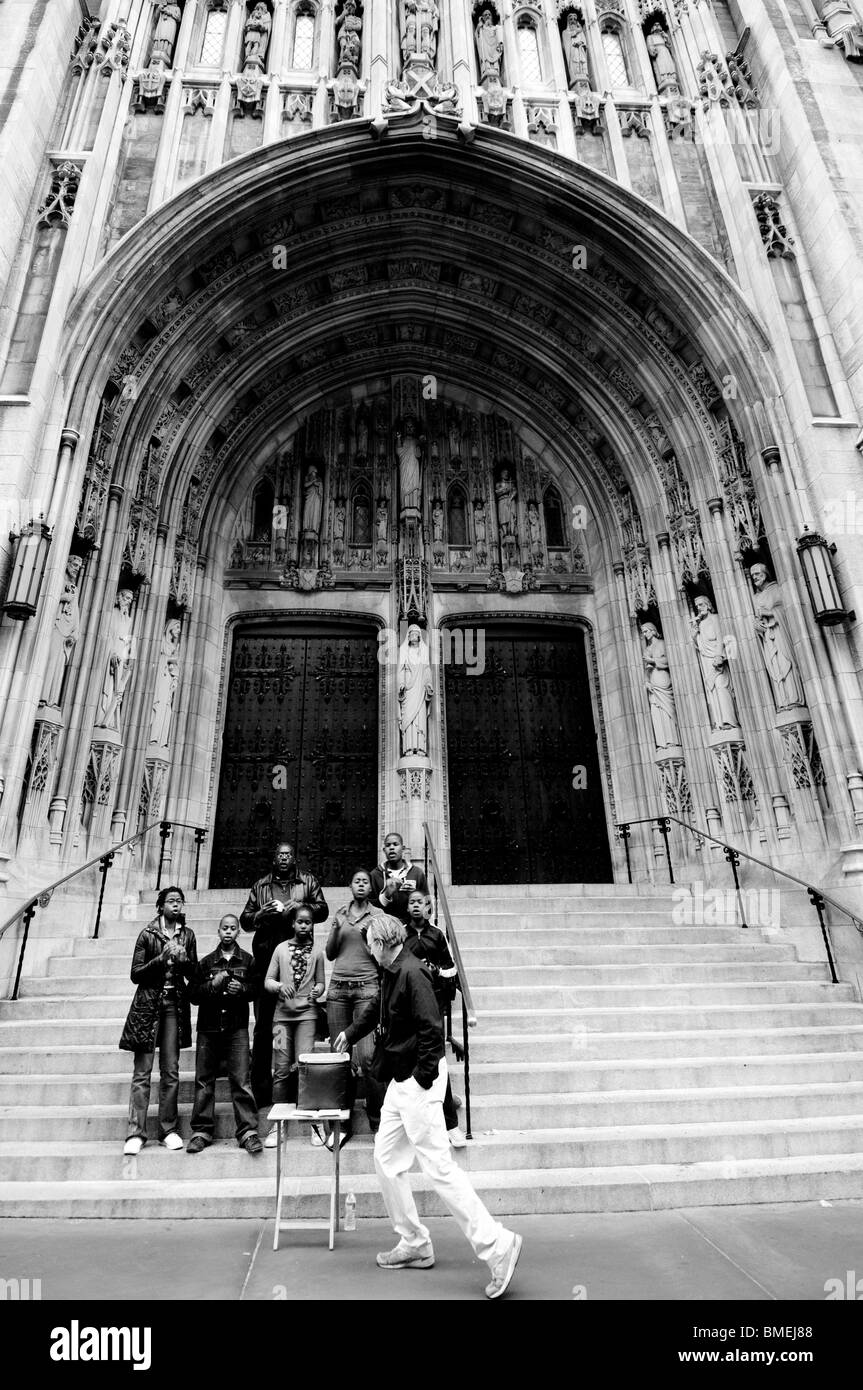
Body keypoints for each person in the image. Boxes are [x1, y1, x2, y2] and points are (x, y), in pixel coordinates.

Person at [334, 915, 522, 1300]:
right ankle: (414, 1242)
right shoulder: (391, 970)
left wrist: (420, 1080)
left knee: (439, 1168)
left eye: (370, 942)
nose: (368, 948)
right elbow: (375, 1009)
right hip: (400, 1082)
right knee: (386, 1159)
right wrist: (350, 1033)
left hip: (416, 1082)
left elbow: (432, 1032)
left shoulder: (413, 974)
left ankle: (497, 1245)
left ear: (384, 943)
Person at [240, 842, 328, 1107]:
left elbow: (322, 910)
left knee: (300, 1031)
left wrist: (301, 906)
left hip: (299, 958)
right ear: (274, 857)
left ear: (294, 858)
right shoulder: (261, 885)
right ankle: (264, 1092)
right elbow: (245, 920)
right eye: (280, 854)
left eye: (289, 854)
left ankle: (300, 1093)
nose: (284, 858)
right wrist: (260, 914)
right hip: (268, 958)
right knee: (265, 1028)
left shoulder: (308, 881)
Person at [120, 886, 197, 1154]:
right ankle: (136, 1132)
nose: (176, 905)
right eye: (171, 901)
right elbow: (136, 974)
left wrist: (185, 961)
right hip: (148, 1006)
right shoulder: (147, 934)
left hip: (173, 1007)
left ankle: (168, 1129)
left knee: (171, 1070)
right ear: (161, 905)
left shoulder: (188, 935)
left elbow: (194, 973)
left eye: (179, 901)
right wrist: (160, 958)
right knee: (142, 1072)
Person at [325, 869, 395, 1145]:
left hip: (367, 988)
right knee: (338, 1058)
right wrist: (334, 927)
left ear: (370, 887)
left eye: (366, 881)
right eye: (357, 881)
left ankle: (378, 1123)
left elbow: (382, 957)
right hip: (338, 989)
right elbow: (330, 953)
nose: (362, 885)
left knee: (367, 1058)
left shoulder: (378, 915)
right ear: (351, 886)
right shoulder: (340, 913)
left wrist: (368, 934)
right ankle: (340, 1124)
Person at [187, 915, 262, 1155]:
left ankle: (248, 1131)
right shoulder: (206, 962)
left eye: (233, 928)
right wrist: (212, 985)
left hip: (236, 1027)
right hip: (208, 1028)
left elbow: (256, 990)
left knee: (241, 1079)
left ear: (239, 932)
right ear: (218, 931)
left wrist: (242, 989)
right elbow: (193, 995)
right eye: (224, 928)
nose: (228, 932)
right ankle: (201, 1131)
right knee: (203, 1080)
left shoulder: (248, 961)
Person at [403, 890, 466, 1148]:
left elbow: (452, 968)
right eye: (412, 902)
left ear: (428, 907)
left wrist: (436, 970)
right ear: (407, 908)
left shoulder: (437, 934)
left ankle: (450, 1123)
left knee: (437, 1060)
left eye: (421, 902)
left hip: (433, 1003)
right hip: (407, 1005)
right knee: (409, 1059)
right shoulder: (401, 934)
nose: (416, 906)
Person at [263, 904, 326, 1148]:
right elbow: (268, 981)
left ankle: (314, 1122)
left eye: (307, 922)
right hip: (281, 1019)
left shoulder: (318, 952)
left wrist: (317, 991)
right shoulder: (280, 949)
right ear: (292, 924)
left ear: (312, 925)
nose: (303, 926)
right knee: (280, 1068)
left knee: (306, 1065)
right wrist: (280, 987)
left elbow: (321, 983)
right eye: (299, 921)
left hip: (307, 1016)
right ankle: (277, 1125)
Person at [370, 832, 429, 925]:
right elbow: (370, 908)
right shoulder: (375, 875)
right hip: (385, 929)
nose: (392, 847)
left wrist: (412, 895)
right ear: (384, 850)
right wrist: (386, 895)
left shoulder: (417, 873)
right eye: (388, 845)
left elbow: (427, 905)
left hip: (410, 930)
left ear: (403, 848)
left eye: (395, 844)